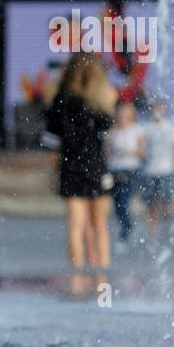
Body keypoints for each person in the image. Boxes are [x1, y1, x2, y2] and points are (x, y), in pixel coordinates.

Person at [45, 51, 118, 275]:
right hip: (96, 167)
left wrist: (52, 173)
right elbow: (107, 137)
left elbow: (53, 143)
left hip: (71, 167)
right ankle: (102, 278)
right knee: (100, 226)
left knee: (75, 228)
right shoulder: (101, 102)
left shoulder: (61, 101)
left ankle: (77, 277)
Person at [137, 100, 174, 245]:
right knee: (150, 204)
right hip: (149, 171)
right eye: (155, 108)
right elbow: (141, 147)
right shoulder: (146, 128)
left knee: (166, 203)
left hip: (166, 170)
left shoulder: (169, 127)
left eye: (160, 109)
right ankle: (153, 233)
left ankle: (166, 231)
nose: (157, 112)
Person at [106, 101, 145, 244]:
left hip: (130, 170)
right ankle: (126, 228)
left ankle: (126, 230)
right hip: (115, 170)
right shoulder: (113, 131)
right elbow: (106, 151)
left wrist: (128, 152)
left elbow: (142, 151)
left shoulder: (136, 130)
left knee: (124, 201)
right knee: (116, 203)